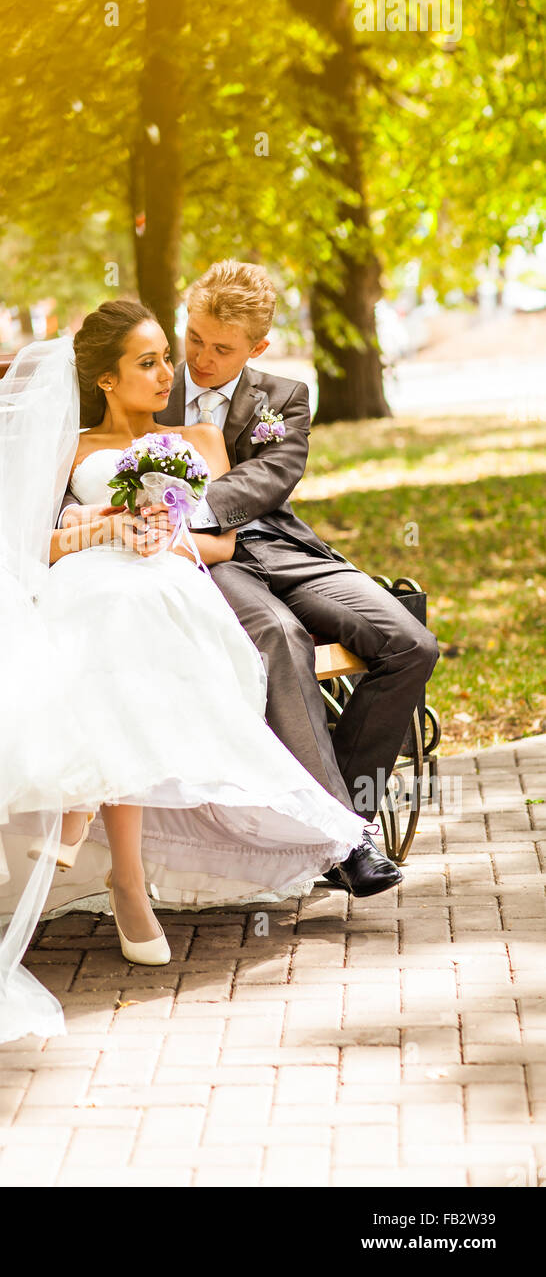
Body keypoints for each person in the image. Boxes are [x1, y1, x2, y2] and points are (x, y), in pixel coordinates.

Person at [0, 301, 367, 1044]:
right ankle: (123, 878)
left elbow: (222, 547)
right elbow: (28, 543)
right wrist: (105, 528)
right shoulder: (69, 445)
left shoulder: (199, 438)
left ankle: (85, 813)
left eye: (165, 359)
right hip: (89, 587)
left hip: (167, 581)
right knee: (114, 613)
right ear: (108, 381)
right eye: (147, 363)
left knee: (135, 610)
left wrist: (165, 534)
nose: (166, 374)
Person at [64, 261, 440, 898]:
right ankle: (348, 844)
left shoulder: (284, 398)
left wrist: (187, 503)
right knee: (279, 637)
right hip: (205, 564)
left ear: (257, 348)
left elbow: (271, 478)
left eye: (222, 349)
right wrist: (149, 524)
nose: (201, 359)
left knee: (411, 645)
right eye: (196, 340)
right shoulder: (150, 377)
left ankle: (338, 820)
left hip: (281, 549)